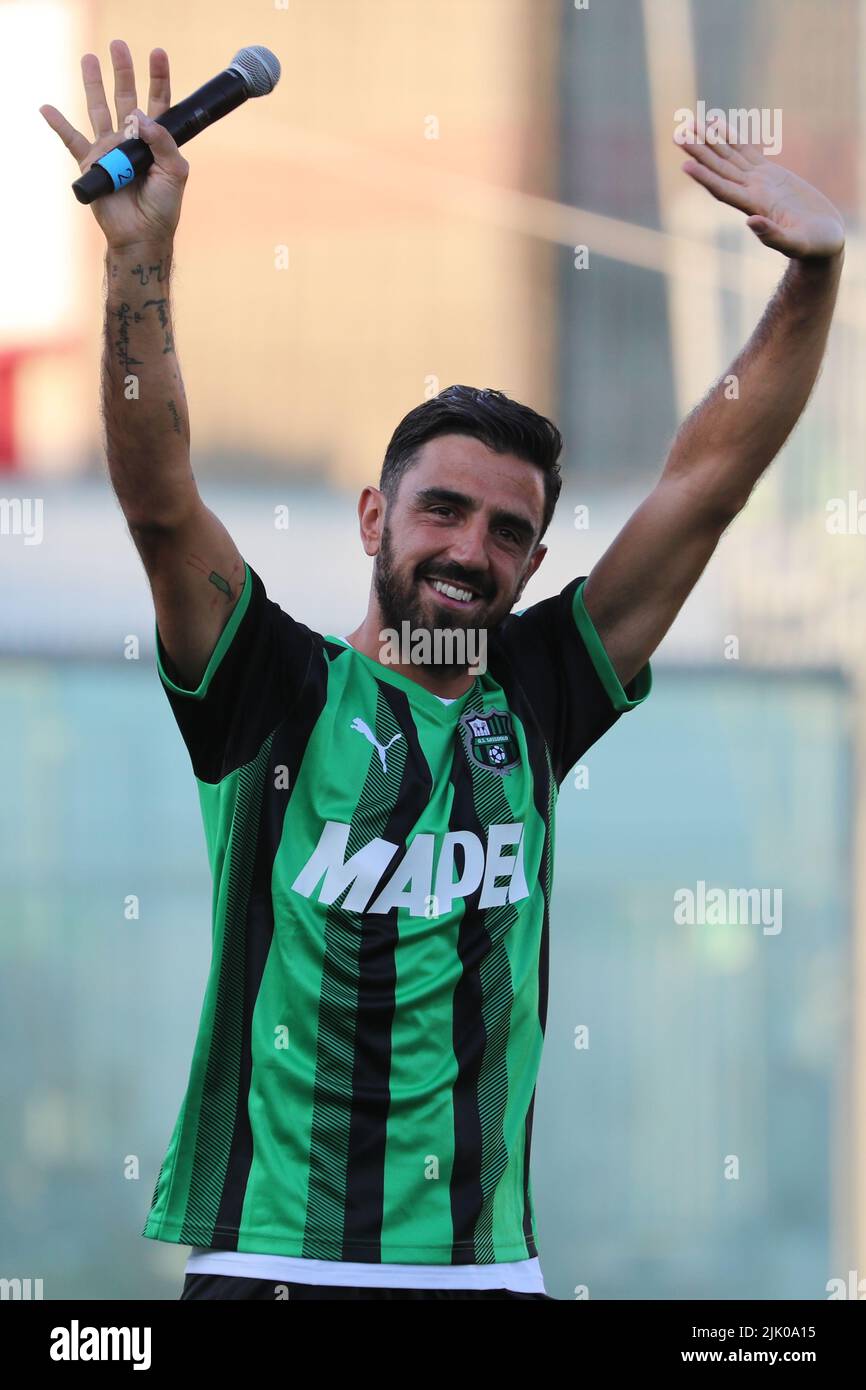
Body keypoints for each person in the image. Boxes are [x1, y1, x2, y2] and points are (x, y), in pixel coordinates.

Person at [41, 41, 844, 1301]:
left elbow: (706, 478)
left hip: (490, 1276)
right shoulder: (273, 686)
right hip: (273, 1262)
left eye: (508, 530)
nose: (470, 550)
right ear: (373, 519)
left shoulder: (541, 688)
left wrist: (812, 273)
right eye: (442, 512)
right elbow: (157, 497)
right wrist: (139, 258)